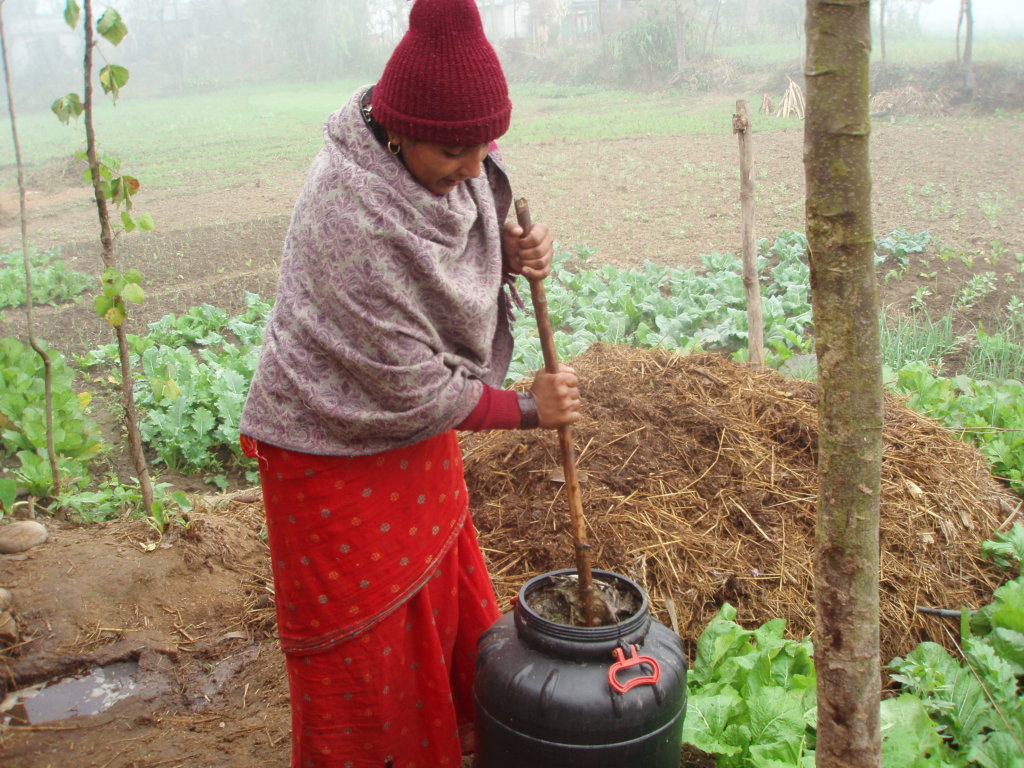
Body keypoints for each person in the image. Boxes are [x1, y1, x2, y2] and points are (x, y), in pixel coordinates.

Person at [238, 0, 581, 765]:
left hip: (412, 446)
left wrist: (517, 253)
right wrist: (527, 409)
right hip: (328, 442)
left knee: (435, 596)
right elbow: (407, 386)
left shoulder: (442, 157)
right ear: (399, 129)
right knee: (364, 641)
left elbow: (468, 227)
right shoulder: (350, 212)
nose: (471, 168)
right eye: (453, 153)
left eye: (483, 147)